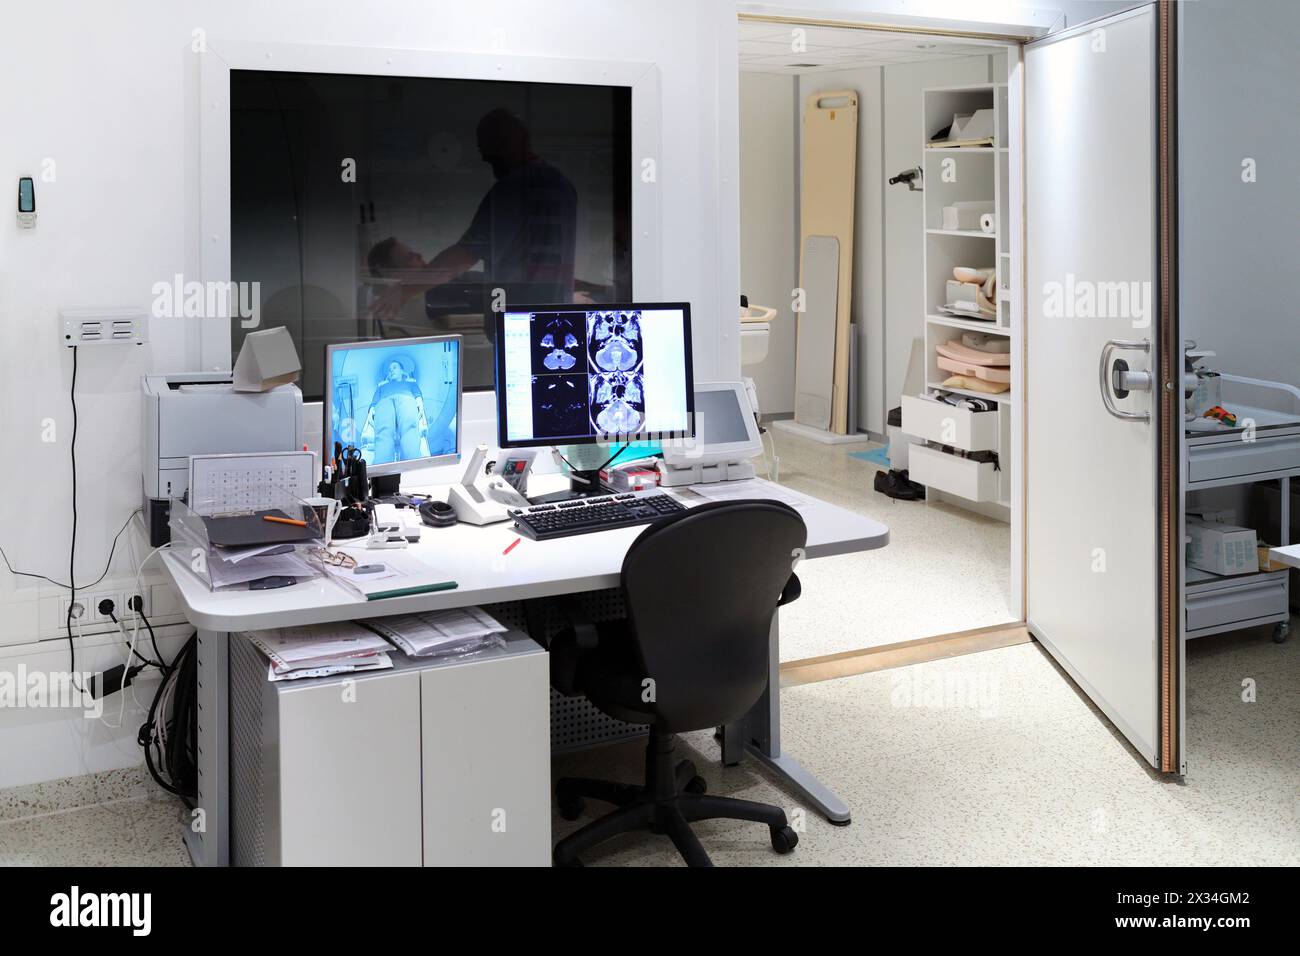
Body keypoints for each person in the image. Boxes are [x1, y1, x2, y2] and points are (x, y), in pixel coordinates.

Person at [367, 108, 578, 321]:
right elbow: (554, 268)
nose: (486, 159)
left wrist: (404, 291)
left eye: (488, 151)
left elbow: (462, 257)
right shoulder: (564, 187)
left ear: (507, 143)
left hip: (517, 324)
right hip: (560, 318)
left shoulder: (510, 190)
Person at [359, 354, 428, 464]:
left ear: (402, 370)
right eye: (389, 369)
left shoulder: (410, 383)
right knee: (383, 430)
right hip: (384, 401)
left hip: (406, 398)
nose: (391, 370)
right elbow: (374, 402)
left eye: (394, 367)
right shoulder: (381, 387)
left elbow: (417, 395)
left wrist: (420, 404)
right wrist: (371, 411)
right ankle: (382, 467)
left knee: (409, 425)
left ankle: (412, 463)